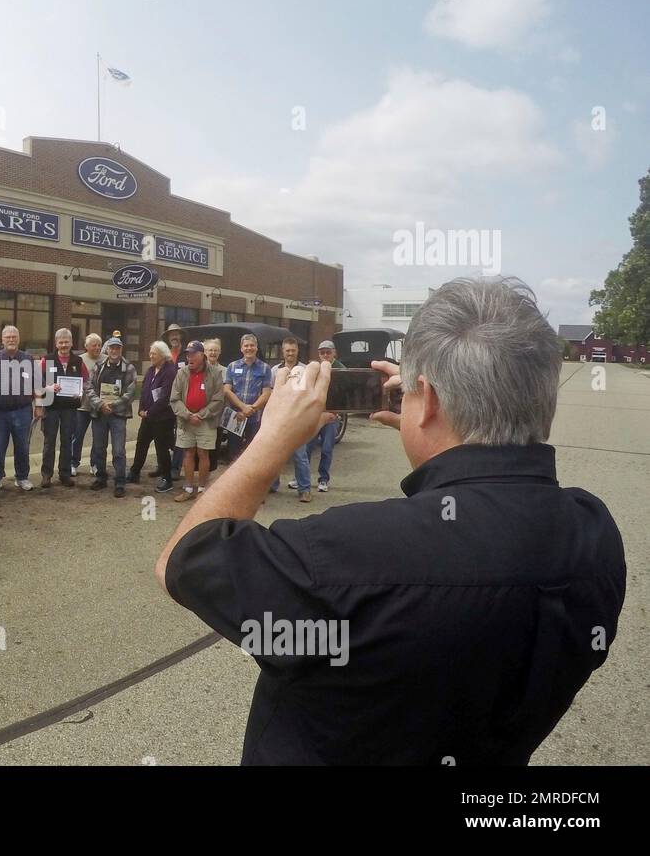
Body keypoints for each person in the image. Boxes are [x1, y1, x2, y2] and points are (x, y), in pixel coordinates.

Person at [155, 277, 626, 764]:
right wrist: (435, 428)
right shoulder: (595, 534)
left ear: (430, 399)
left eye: (416, 396)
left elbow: (183, 558)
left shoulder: (347, 552)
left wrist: (271, 438)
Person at [0, 325, 36, 492]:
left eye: (14, 337)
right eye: (8, 337)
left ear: (18, 339)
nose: (11, 340)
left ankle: (22, 477)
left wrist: (39, 405)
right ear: (2, 340)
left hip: (22, 410)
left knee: (22, 446)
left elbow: (37, 384)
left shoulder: (27, 359)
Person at [170, 341, 226, 502]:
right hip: (186, 420)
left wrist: (201, 415)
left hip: (206, 421)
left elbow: (218, 399)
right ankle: (188, 488)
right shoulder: (182, 373)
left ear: (202, 355)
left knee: (203, 453)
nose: (190, 357)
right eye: (188, 354)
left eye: (193, 354)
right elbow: (174, 398)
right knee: (188, 452)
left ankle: (202, 489)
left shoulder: (215, 373)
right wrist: (188, 415)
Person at [36, 328, 88, 487]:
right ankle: (46, 475)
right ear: (56, 343)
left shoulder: (78, 361)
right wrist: (48, 388)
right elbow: (36, 383)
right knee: (49, 442)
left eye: (67, 342)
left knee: (67, 441)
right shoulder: (46, 360)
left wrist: (80, 392)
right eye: (61, 342)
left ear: (72, 343)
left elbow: (86, 382)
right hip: (51, 407)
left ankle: (64, 474)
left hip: (70, 409)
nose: (64, 345)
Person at [87, 333, 136, 497]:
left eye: (117, 348)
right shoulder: (98, 366)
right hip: (100, 413)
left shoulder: (129, 368)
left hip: (118, 415)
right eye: (112, 347)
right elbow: (89, 388)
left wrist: (112, 405)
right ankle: (101, 478)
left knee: (118, 451)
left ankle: (120, 482)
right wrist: (100, 405)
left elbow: (130, 392)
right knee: (99, 448)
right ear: (107, 349)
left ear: (121, 349)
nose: (114, 350)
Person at [289, 339, 341, 496]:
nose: (325, 355)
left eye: (328, 352)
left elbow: (346, 393)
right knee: (307, 447)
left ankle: (323, 479)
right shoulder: (314, 369)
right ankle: (301, 479)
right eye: (322, 352)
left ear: (334, 353)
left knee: (326, 448)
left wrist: (338, 410)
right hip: (315, 415)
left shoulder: (341, 370)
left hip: (331, 415)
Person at [129, 340, 178, 492]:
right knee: (141, 444)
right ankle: (134, 472)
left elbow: (165, 396)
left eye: (154, 353)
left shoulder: (170, 371)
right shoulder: (151, 370)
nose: (151, 356)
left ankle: (166, 479)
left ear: (163, 355)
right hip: (148, 417)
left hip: (163, 418)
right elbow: (144, 390)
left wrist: (150, 411)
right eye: (150, 353)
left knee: (161, 448)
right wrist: (141, 409)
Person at [222, 333, 273, 461]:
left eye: (252, 345)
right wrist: (242, 407)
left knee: (254, 452)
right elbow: (227, 390)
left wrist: (252, 409)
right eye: (246, 346)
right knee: (233, 453)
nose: (249, 348)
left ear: (256, 347)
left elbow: (267, 393)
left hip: (255, 418)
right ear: (241, 348)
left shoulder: (265, 368)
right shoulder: (232, 366)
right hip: (236, 416)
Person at [268, 336, 306, 500]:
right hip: (279, 418)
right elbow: (270, 393)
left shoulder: (306, 370)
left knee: (300, 456)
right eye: (287, 350)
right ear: (282, 352)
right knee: (275, 455)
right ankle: (273, 485)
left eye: (293, 350)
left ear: (297, 351)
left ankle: (304, 489)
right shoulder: (274, 371)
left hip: (298, 418)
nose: (290, 353)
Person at [71, 333, 105, 478]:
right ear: (86, 347)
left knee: (98, 438)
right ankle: (73, 463)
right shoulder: (79, 360)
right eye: (94, 345)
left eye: (99, 345)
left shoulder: (106, 359)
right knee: (77, 436)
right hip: (82, 406)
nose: (97, 347)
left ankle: (95, 464)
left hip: (99, 406)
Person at [203, 338, 224, 473]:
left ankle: (209, 479)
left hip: (217, 418)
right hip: (200, 417)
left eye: (216, 350)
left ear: (220, 352)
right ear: (204, 352)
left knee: (213, 451)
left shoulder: (226, 371)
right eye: (210, 350)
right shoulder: (199, 369)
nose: (213, 353)